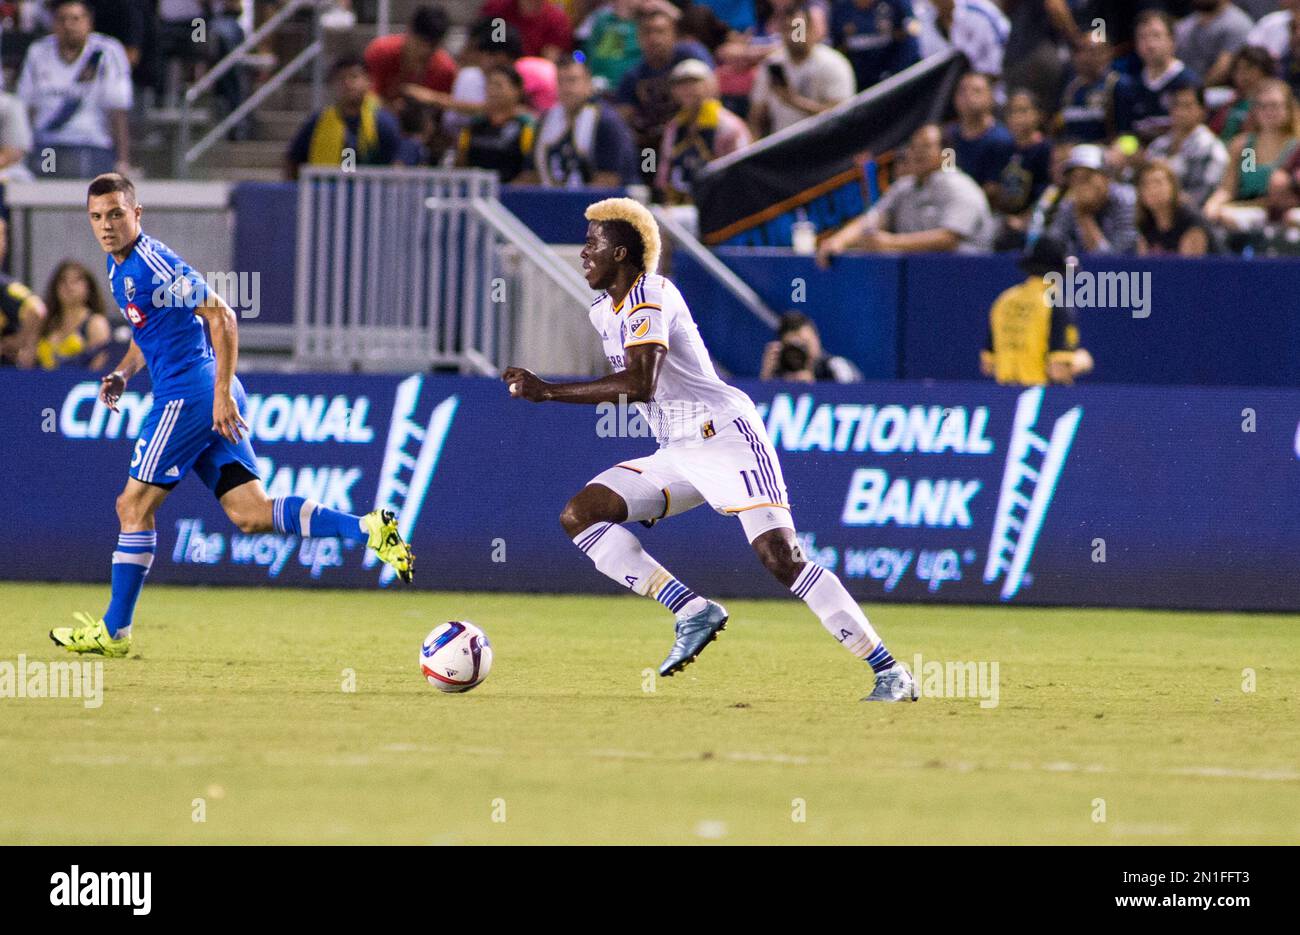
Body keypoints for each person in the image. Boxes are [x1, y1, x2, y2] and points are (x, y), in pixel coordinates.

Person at [501, 197, 916, 701]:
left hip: (727, 435)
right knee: (581, 514)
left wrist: (549, 391)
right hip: (676, 449)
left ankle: (889, 670)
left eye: (594, 243)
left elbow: (641, 383)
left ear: (624, 253)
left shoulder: (653, 291)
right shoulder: (601, 312)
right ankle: (692, 609)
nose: (584, 252)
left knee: (781, 557)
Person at [49, 174, 415, 658]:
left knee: (131, 506)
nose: (106, 225)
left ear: (138, 214)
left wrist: (220, 394)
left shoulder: (153, 262)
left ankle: (113, 631)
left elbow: (222, 316)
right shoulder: (118, 270)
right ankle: (368, 528)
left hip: (190, 396)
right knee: (250, 514)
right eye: (97, 216)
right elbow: (150, 331)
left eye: (116, 213)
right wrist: (122, 373)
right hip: (201, 392)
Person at [817, 123, 996, 260]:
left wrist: (889, 243)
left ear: (946, 153)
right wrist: (838, 241)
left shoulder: (961, 187)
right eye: (913, 146)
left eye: (926, 146)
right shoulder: (904, 187)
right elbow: (873, 220)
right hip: (918, 275)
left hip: (967, 274)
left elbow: (948, 239)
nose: (917, 152)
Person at [16, 0, 133, 178]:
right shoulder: (38, 52)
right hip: (48, 145)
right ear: (53, 23)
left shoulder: (107, 52)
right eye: (62, 19)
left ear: (89, 22)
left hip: (92, 144)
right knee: (45, 184)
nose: (68, 26)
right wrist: (22, 154)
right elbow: (27, 107)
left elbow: (118, 109)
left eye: (75, 19)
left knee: (89, 191)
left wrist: (123, 160)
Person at [981, 236, 1092, 387]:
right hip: (1037, 399)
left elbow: (988, 366)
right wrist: (1081, 361)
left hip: (1004, 398)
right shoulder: (1056, 302)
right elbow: (1058, 371)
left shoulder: (1004, 300)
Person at [616, 9, 716, 176]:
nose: (654, 38)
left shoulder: (690, 56)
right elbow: (623, 118)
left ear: (674, 34)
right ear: (639, 38)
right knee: (646, 157)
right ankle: (651, 192)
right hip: (652, 144)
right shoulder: (633, 75)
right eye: (647, 32)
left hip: (693, 132)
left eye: (661, 31)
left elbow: (711, 89)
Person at [1204, 79, 1300, 233]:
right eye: (1263, 106)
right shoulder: (1246, 149)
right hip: (1245, 211)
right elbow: (1228, 188)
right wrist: (1213, 205)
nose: (1269, 112)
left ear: (1288, 109)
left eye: (1275, 106)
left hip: (1282, 215)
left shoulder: (1296, 148)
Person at [285, 57, 405, 180]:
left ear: (368, 81)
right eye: (341, 78)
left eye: (354, 77)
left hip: (370, 194)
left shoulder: (383, 122)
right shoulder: (318, 121)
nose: (347, 83)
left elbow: (397, 164)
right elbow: (293, 160)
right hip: (326, 194)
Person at [748, 3, 855, 138]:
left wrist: (794, 101)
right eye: (788, 29)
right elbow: (756, 116)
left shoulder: (833, 63)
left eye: (798, 29)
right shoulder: (772, 64)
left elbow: (842, 115)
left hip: (825, 141)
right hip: (782, 143)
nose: (794, 35)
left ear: (811, 29)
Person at [530, 55, 637, 186]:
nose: (566, 89)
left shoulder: (606, 121)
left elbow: (609, 180)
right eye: (560, 81)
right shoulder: (545, 121)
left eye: (572, 81)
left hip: (605, 202)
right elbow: (531, 174)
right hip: (554, 199)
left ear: (588, 83)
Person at [658, 59, 751, 203]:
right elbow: (665, 172)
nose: (687, 89)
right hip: (679, 203)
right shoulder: (674, 127)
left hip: (719, 204)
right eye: (681, 84)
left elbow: (743, 174)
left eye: (694, 82)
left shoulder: (729, 127)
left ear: (710, 85)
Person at [1116, 10, 1201, 144]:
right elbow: (1126, 134)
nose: (1150, 44)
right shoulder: (1128, 85)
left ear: (1172, 40)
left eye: (1156, 36)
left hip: (1179, 155)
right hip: (1138, 158)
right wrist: (1131, 152)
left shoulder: (1188, 82)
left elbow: (1196, 131)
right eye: (1142, 37)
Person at [1042, 143, 1138, 255]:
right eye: (1075, 178)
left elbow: (1114, 262)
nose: (1081, 185)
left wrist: (1084, 216)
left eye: (1086, 177)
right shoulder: (1069, 204)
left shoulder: (1126, 199)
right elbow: (1053, 248)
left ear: (1106, 177)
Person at [988, 88, 1053, 248]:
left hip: (1038, 220)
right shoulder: (1002, 149)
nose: (1017, 117)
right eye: (1012, 112)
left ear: (1038, 115)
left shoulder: (1046, 150)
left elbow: (1050, 192)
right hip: (1005, 218)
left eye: (1023, 111)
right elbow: (995, 188)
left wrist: (1025, 219)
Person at [1146, 84, 1229, 207]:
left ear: (1202, 111)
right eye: (1176, 105)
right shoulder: (1157, 145)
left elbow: (1206, 192)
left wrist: (1169, 200)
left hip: (1191, 216)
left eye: (1187, 106)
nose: (1180, 112)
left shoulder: (1212, 148)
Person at [363, 5, 458, 108]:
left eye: (432, 47)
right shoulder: (380, 52)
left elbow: (455, 106)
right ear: (409, 31)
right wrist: (390, 107)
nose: (424, 51)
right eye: (419, 44)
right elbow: (364, 95)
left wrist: (430, 98)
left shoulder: (446, 69)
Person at [455, 65, 538, 183]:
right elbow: (460, 162)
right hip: (475, 195)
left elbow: (532, 171)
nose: (493, 91)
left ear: (517, 90)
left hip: (511, 195)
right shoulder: (474, 125)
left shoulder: (526, 126)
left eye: (499, 85)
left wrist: (507, 192)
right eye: (490, 85)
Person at [945, 71, 1015, 193]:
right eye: (962, 91)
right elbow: (946, 172)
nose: (968, 96)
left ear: (991, 97)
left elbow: (993, 189)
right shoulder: (948, 135)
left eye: (976, 91)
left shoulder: (1002, 140)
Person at [830, 0, 920, 94]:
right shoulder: (840, 6)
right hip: (856, 81)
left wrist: (898, 76)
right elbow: (836, 47)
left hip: (896, 78)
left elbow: (911, 35)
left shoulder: (897, 4)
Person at [36, 259, 112, 369]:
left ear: (88, 287)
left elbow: (98, 366)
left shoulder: (95, 323)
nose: (69, 286)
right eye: (63, 280)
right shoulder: (46, 322)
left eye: (77, 280)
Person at [1056, 34, 1129, 144]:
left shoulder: (1118, 86)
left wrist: (1121, 151)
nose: (1084, 57)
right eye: (1080, 51)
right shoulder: (1070, 89)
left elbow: (1129, 134)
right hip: (1073, 153)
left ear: (1107, 54)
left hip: (1106, 153)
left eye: (1092, 51)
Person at [1136, 159, 1214, 256]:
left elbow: (1190, 268)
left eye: (1158, 183)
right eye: (1146, 185)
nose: (1152, 190)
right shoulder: (1145, 224)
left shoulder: (1191, 221)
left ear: (1173, 187)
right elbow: (1144, 266)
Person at [914, 0, 1010, 78]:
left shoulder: (980, 12)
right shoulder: (924, 18)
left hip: (994, 84)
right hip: (950, 89)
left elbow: (1007, 50)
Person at [760, 311, 863, 382]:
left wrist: (815, 388)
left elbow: (855, 400)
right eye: (793, 347)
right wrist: (766, 378)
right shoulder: (778, 374)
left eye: (804, 344)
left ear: (816, 339)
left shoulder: (835, 367)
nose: (799, 353)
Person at [1174, 0, 1254, 88]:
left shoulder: (1237, 24)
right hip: (1184, 90)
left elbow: (1223, 69)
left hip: (1223, 91)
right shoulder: (1184, 26)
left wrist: (1196, 91)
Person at [0, 217, 46, 368]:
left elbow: (37, 309)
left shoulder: (6, 287)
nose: (3, 245)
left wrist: (24, 344)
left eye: (3, 237)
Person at [478, 0, 574, 60]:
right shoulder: (496, 8)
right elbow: (481, 48)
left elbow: (549, 63)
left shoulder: (556, 19)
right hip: (495, 72)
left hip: (531, 76)